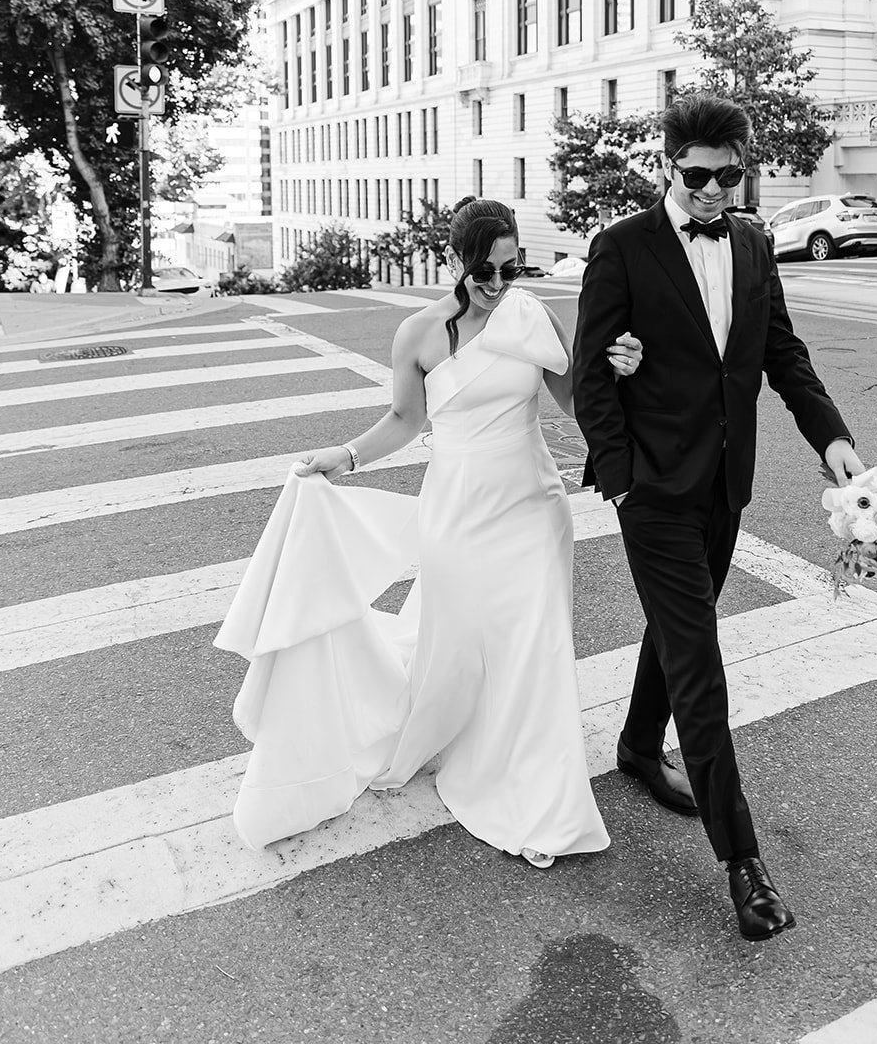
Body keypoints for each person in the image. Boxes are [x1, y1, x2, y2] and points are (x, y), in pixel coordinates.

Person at [215, 197, 643, 870]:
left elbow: (578, 404)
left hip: (532, 507)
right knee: (463, 643)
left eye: (511, 268)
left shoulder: (535, 318)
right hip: (456, 512)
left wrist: (623, 378)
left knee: (535, 650)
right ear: (455, 262)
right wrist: (346, 456)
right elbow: (403, 419)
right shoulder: (417, 334)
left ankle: (544, 801)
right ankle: (457, 734)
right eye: (485, 271)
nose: (499, 285)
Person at [571, 94, 864, 940]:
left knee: (680, 624)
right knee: (699, 661)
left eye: (727, 177)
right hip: (654, 494)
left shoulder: (750, 239)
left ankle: (634, 746)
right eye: (696, 176)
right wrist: (623, 482)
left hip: (723, 484)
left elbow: (781, 352)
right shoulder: (620, 247)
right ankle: (742, 862)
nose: (711, 192)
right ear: (668, 164)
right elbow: (594, 374)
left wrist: (833, 440)